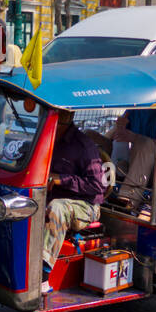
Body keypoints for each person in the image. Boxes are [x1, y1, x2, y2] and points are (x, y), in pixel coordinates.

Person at [42, 107, 107, 292]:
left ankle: (43, 275)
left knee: (57, 207)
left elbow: (97, 187)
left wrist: (61, 179)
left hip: (87, 206)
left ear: (65, 118)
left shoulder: (84, 146)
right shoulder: (47, 138)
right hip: (55, 199)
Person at [110, 107, 156, 209]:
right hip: (132, 160)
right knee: (90, 135)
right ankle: (94, 192)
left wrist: (136, 138)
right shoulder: (135, 107)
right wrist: (118, 129)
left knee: (145, 144)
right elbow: (113, 137)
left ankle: (127, 201)